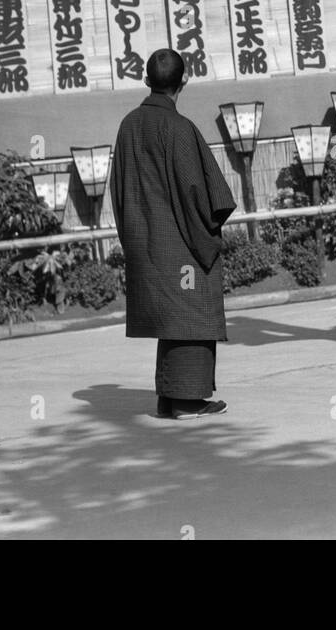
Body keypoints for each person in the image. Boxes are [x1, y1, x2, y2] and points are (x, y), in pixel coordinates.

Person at [111, 48, 236, 420]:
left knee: (172, 316)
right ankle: (185, 400)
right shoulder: (180, 129)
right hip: (180, 240)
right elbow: (200, 193)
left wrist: (132, 237)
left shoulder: (129, 125)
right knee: (190, 313)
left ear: (147, 81)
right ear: (185, 79)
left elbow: (119, 190)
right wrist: (208, 233)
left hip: (145, 240)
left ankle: (169, 397)